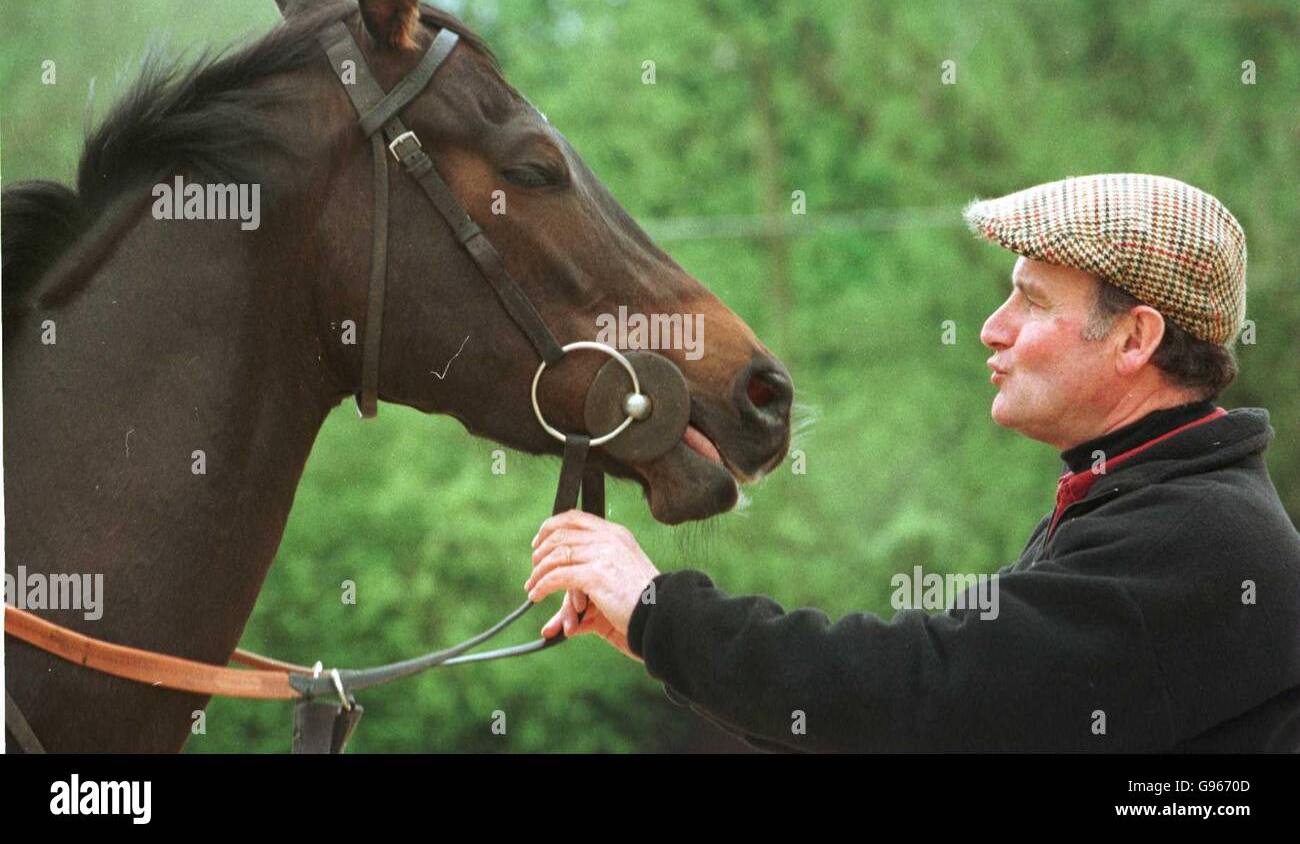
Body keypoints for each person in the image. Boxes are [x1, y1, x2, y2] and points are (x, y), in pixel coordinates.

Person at [524, 173, 1300, 752]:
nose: (992, 329)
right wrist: (658, 638)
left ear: (1136, 339)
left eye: (1031, 302)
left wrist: (661, 608)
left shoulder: (1200, 534)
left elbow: (922, 693)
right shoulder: (1155, 497)